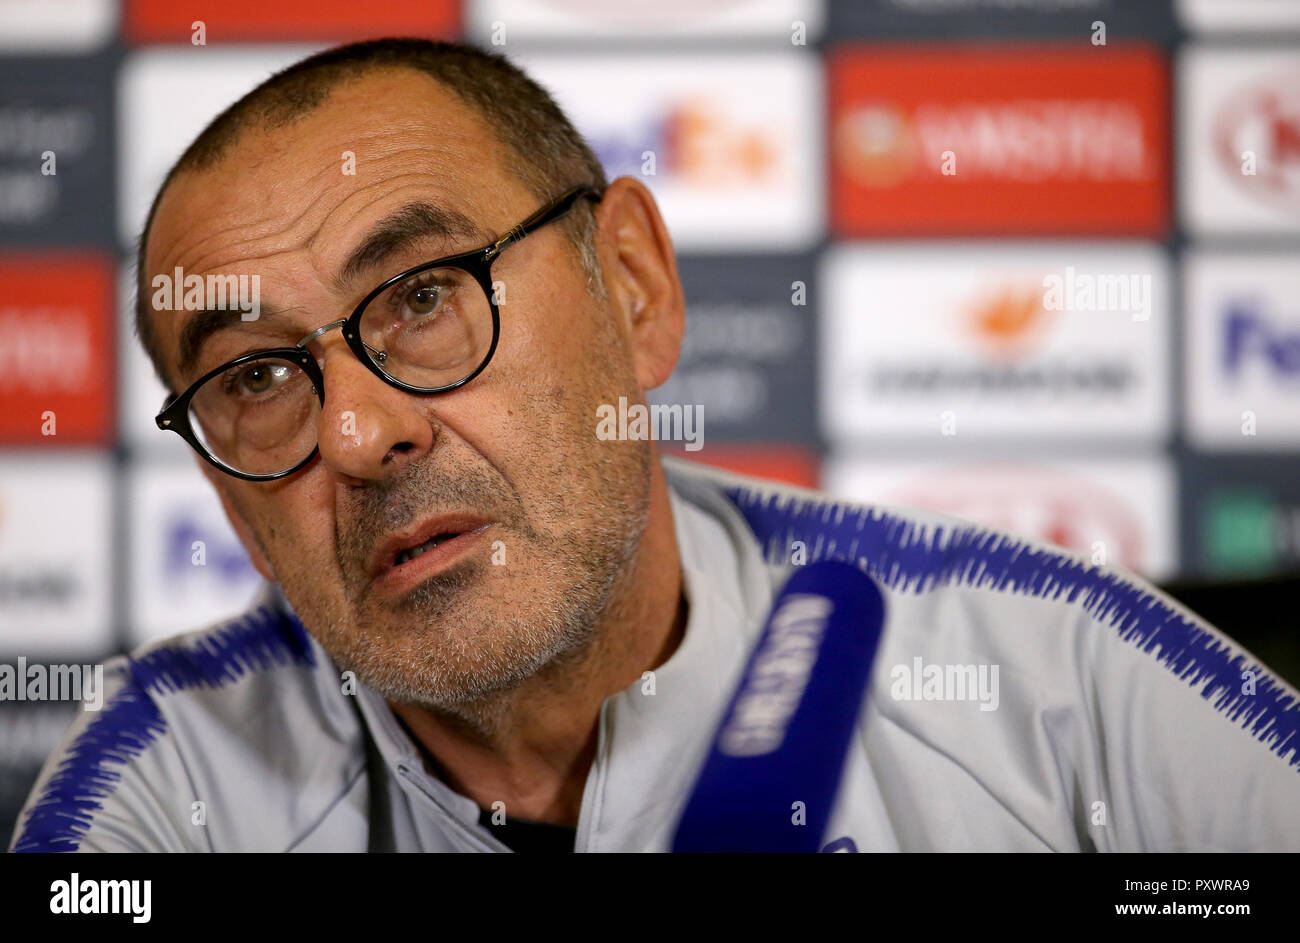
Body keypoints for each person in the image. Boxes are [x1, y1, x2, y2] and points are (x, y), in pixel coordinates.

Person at [11, 38, 1298, 853]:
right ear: (222, 494)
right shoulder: (158, 791)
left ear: (631, 289)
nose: (356, 431)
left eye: (421, 297)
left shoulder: (1054, 687)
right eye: (257, 377)